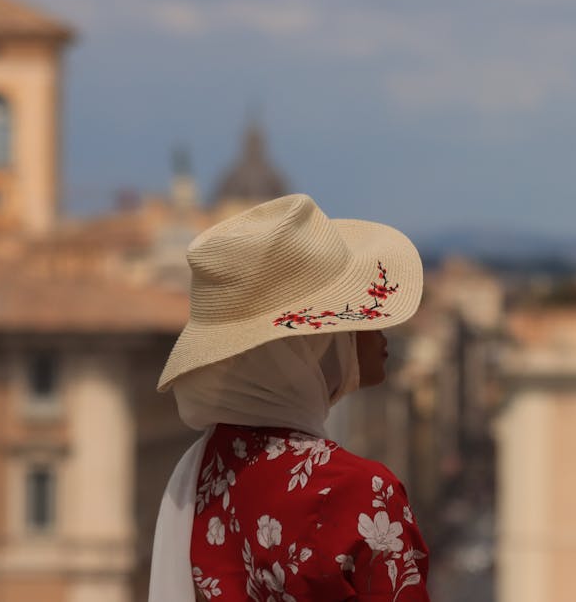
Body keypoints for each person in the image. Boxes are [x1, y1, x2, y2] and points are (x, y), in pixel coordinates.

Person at [149, 194, 431, 601]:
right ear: (316, 342)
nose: (383, 328)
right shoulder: (362, 492)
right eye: (360, 315)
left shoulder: (201, 474)